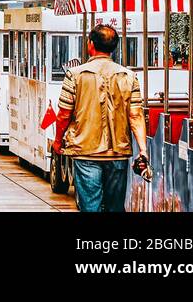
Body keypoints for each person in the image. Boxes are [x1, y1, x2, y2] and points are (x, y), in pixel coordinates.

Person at [52, 22, 150, 213]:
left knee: (90, 206)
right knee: (115, 207)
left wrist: (58, 141)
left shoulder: (74, 75)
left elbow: (64, 113)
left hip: (85, 149)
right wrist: (143, 150)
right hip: (118, 152)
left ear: (90, 44)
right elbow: (136, 115)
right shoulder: (129, 77)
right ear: (114, 48)